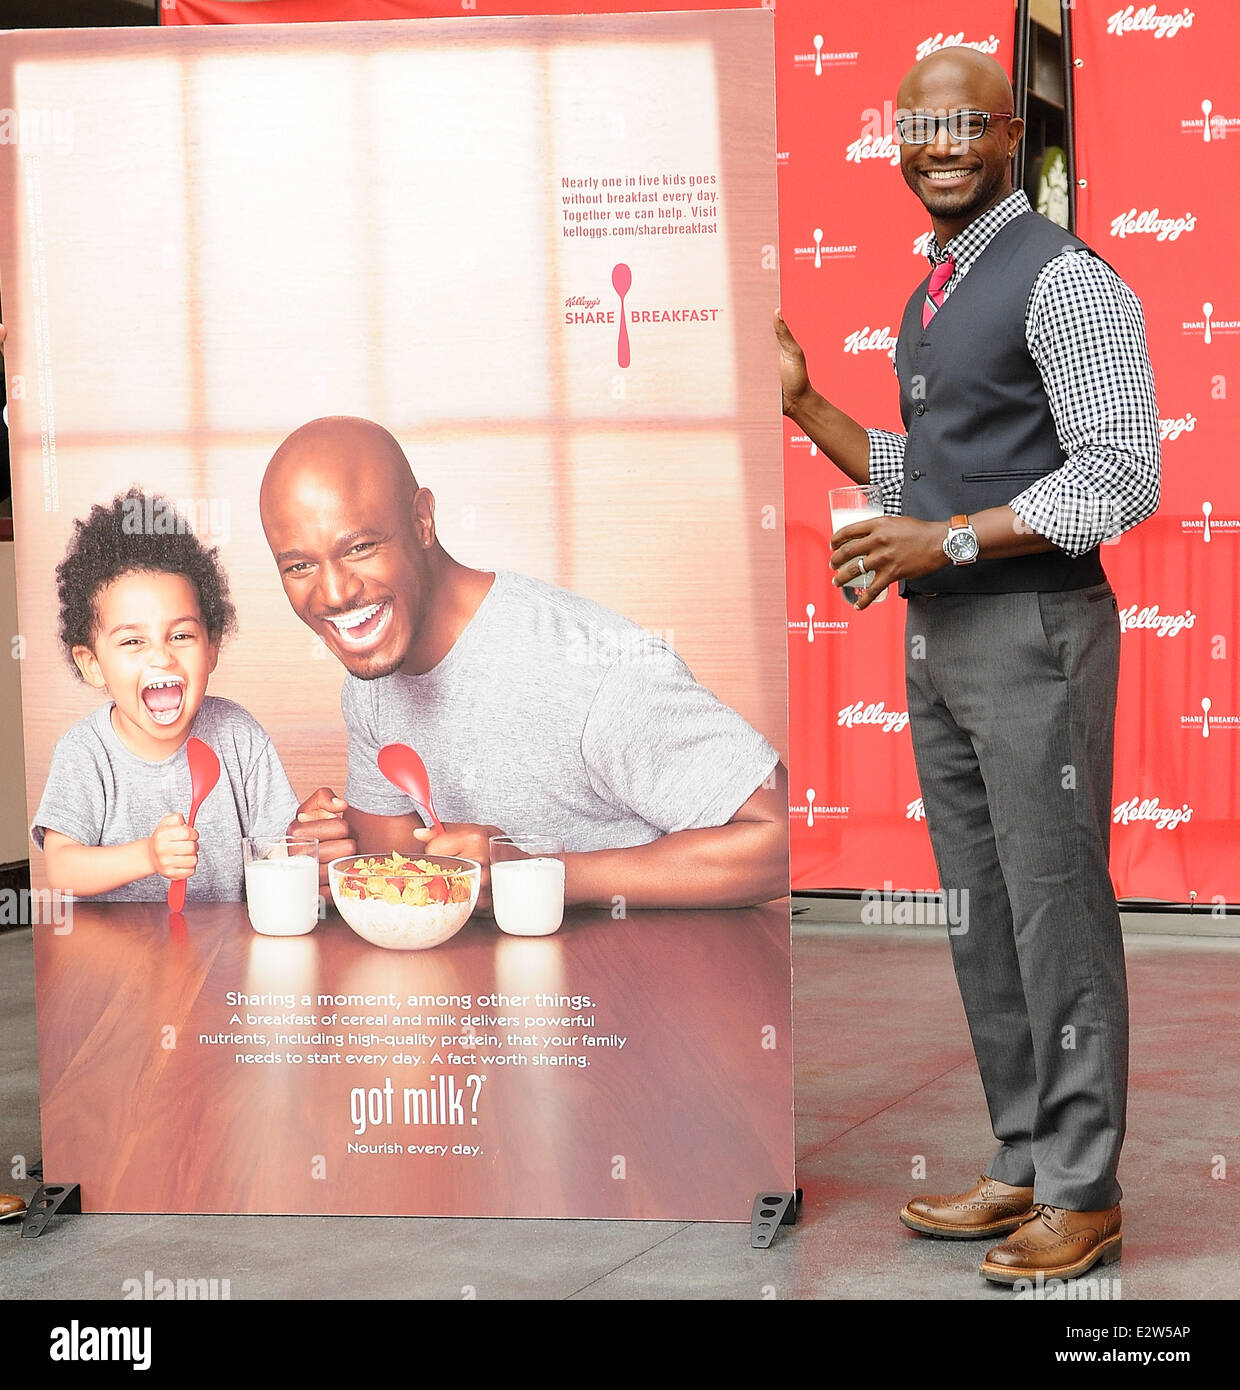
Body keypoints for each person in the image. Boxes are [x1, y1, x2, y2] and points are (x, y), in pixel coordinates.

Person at [776, 48, 1158, 1283]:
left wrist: (938, 540)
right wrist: (806, 405)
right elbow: (925, 479)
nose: (935, 143)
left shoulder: (1062, 279)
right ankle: (1023, 1156)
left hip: (1035, 631)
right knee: (979, 912)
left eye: (961, 124)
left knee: (1055, 912)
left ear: (1008, 134)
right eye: (915, 125)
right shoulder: (933, 289)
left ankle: (1083, 1189)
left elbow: (1118, 479)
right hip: (945, 639)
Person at [258, 416, 788, 910]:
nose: (334, 593)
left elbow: (786, 840)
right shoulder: (372, 678)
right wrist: (335, 849)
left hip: (665, 991)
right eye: (301, 565)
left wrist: (538, 874)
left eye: (360, 547)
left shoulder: (593, 670)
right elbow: (410, 873)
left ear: (422, 520)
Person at [31, 489, 350, 900]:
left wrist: (303, 830)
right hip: (121, 956)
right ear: (92, 663)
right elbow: (62, 867)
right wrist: (148, 855)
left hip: (226, 949)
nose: (161, 656)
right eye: (132, 642)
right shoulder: (85, 752)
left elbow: (273, 851)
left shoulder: (237, 735)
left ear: (212, 646)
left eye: (181, 635)